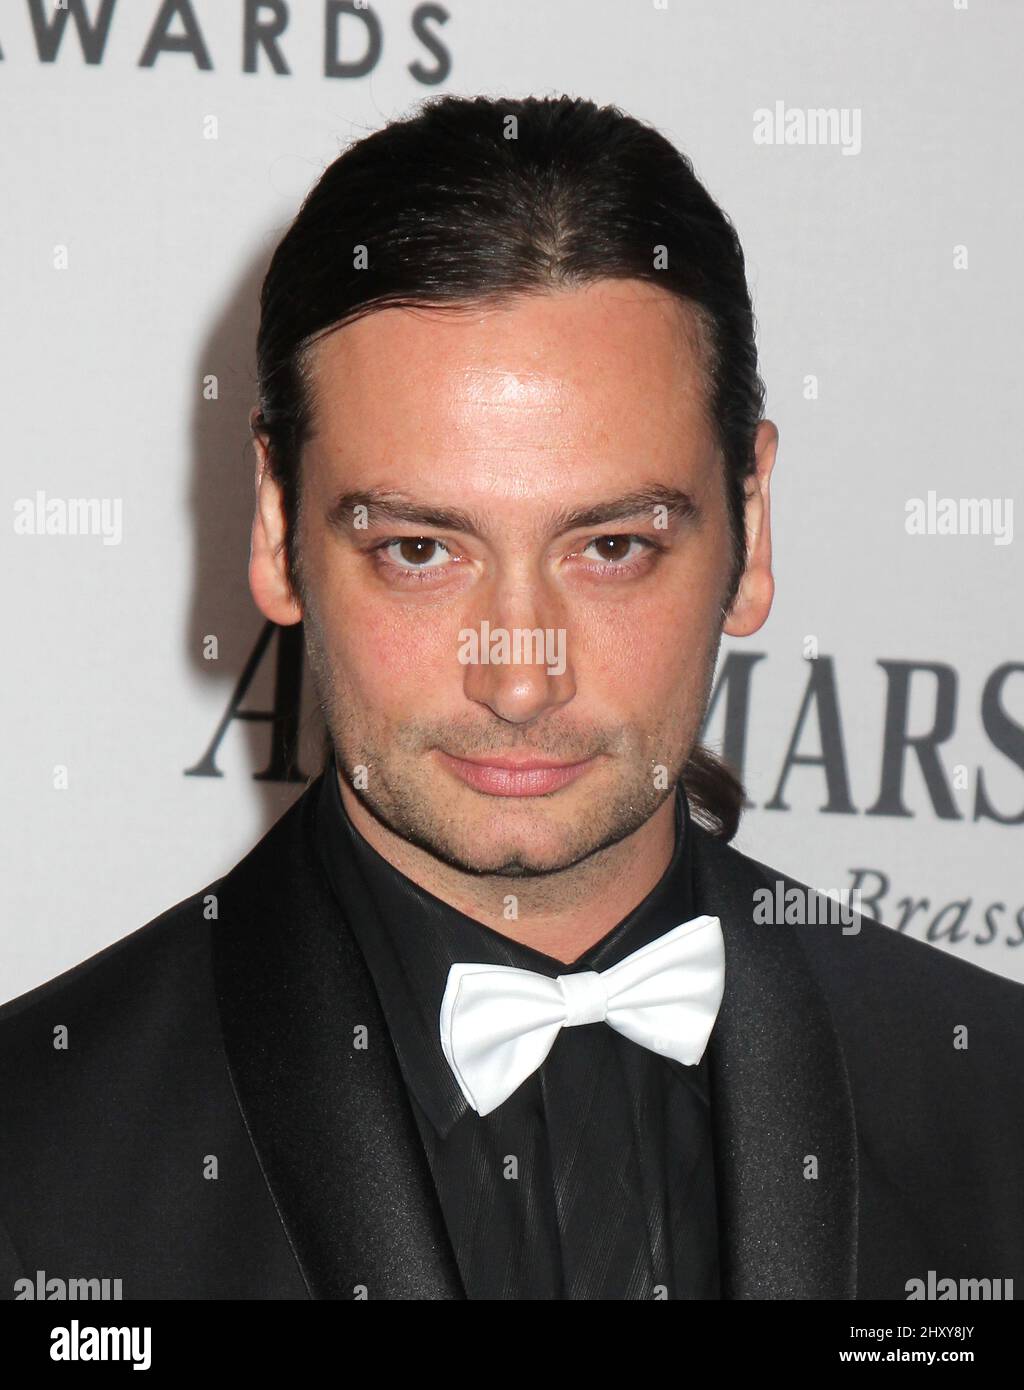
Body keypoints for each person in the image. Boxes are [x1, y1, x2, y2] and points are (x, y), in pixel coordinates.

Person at [2, 94, 1022, 1302]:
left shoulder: (992, 1103)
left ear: (750, 530)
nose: (521, 673)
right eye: (421, 550)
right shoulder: (36, 1160)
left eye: (612, 546)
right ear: (277, 531)